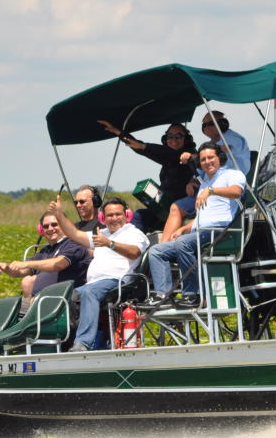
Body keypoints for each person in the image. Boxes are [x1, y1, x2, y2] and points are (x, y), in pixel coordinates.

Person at [145, 141, 246, 308]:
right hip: (201, 231)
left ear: (219, 158)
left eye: (211, 157)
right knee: (156, 251)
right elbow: (203, 217)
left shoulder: (232, 174)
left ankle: (193, 295)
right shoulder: (205, 183)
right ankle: (163, 295)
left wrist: (212, 190)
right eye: (203, 159)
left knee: (183, 243)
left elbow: (236, 192)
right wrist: (184, 228)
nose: (207, 162)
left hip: (221, 232)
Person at [49, 195, 149, 351]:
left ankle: (83, 343)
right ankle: (64, 342)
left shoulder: (134, 233)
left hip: (118, 281)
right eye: (109, 215)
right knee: (66, 296)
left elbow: (135, 252)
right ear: (103, 217)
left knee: (90, 292)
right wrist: (59, 215)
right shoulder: (102, 233)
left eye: (118, 214)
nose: (114, 218)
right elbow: (75, 234)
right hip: (93, 283)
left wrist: (110, 244)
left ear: (126, 215)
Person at [162, 111, 250, 240]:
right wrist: (192, 181)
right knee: (176, 207)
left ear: (223, 124)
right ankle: (163, 247)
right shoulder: (209, 146)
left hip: (227, 194)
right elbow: (203, 171)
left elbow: (221, 150)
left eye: (211, 124)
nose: (206, 127)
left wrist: (192, 156)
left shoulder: (233, 139)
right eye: (204, 125)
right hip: (206, 192)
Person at [96, 120, 196, 232]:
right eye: (170, 136)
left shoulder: (189, 156)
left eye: (178, 136)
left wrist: (123, 135)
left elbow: (147, 149)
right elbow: (143, 148)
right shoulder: (168, 157)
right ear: (165, 139)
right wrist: (120, 133)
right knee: (137, 216)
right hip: (162, 209)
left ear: (186, 139)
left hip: (180, 211)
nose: (173, 140)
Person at [0, 212, 90, 312]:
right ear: (42, 230)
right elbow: (20, 272)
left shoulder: (73, 244)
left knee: (10, 313)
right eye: (46, 226)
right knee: (1, 311)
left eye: (54, 224)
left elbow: (58, 264)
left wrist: (26, 263)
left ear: (64, 225)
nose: (50, 229)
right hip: (39, 303)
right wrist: (6, 267)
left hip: (63, 303)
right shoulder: (45, 251)